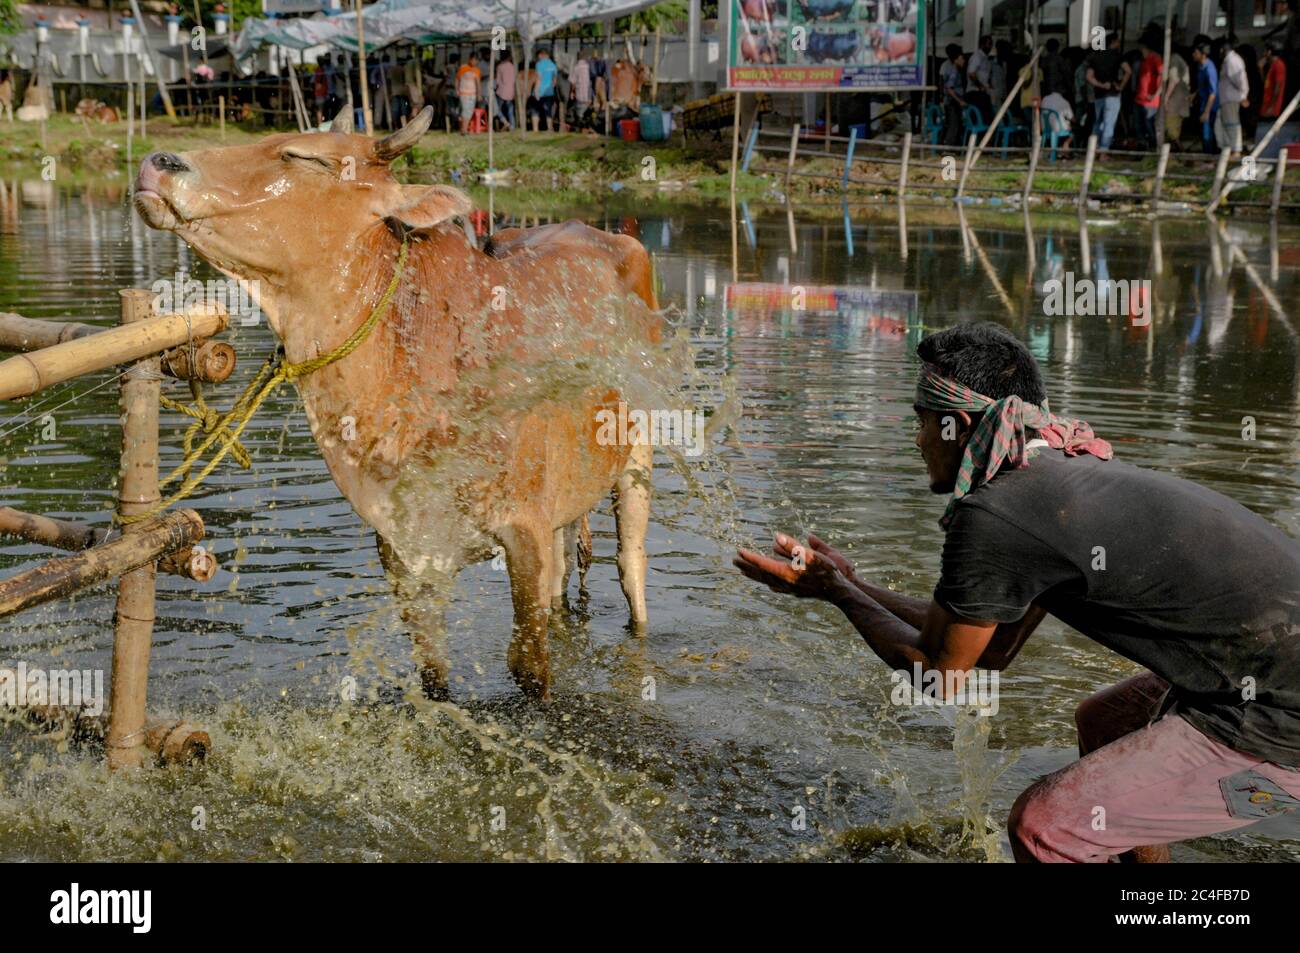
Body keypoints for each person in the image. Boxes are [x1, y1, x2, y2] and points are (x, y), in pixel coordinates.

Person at [734, 321, 1300, 864]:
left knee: (1046, 828)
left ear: (956, 424)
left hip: (1279, 712)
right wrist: (854, 583)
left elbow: (941, 672)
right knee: (1107, 724)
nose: (918, 439)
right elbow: (989, 650)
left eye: (923, 421)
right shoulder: (1053, 470)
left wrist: (838, 594)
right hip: (1265, 662)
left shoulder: (996, 513)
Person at [1086, 31, 1130, 151]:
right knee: (1109, 124)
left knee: (1098, 122)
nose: (1119, 43)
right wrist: (1121, 86)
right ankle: (1103, 152)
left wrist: (1100, 85)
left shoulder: (1095, 57)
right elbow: (1128, 71)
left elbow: (1089, 77)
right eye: (1118, 41)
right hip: (1112, 94)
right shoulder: (1117, 55)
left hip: (1099, 95)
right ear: (1113, 42)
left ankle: (1093, 149)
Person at [1217, 37, 1248, 154]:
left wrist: (1243, 95)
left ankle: (1236, 150)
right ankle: (1231, 149)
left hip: (1232, 98)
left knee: (1232, 124)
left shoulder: (1232, 61)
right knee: (1227, 124)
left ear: (1224, 49)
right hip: (1227, 98)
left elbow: (1239, 79)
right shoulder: (1228, 60)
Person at [1133, 30, 1163, 150]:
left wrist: (1156, 94)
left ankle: (1153, 146)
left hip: (1149, 100)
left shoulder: (1155, 59)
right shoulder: (1144, 60)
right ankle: (1143, 146)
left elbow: (1162, 77)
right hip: (1139, 98)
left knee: (1149, 124)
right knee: (1139, 125)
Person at [1192, 41, 1220, 153]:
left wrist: (1206, 112)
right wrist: (1194, 94)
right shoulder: (1200, 66)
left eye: (1196, 52)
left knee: (1207, 133)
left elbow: (1213, 93)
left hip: (1210, 106)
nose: (1193, 54)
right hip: (1203, 102)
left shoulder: (1210, 69)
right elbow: (1203, 85)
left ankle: (1210, 159)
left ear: (1203, 55)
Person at [940, 43, 968, 147]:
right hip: (952, 102)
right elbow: (949, 89)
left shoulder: (953, 69)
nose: (963, 61)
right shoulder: (953, 71)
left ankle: (951, 145)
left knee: (953, 124)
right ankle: (948, 147)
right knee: (953, 125)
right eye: (961, 58)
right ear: (956, 59)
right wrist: (960, 101)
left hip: (951, 101)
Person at [1163, 46, 1193, 146]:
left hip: (1176, 99)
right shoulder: (1180, 60)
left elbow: (1174, 80)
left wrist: (1166, 97)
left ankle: (1175, 149)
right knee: (1175, 126)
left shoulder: (1174, 59)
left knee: (1170, 127)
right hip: (1182, 98)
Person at [965, 34, 995, 123]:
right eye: (988, 44)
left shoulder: (986, 59)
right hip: (975, 92)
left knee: (987, 116)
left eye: (991, 44)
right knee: (980, 118)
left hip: (983, 92)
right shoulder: (977, 57)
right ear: (982, 45)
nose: (990, 47)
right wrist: (980, 86)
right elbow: (971, 73)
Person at [1260, 41, 1288, 129]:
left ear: (1269, 52)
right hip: (1267, 105)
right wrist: (1260, 69)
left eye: (1265, 51)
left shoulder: (1279, 65)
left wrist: (1271, 107)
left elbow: (1278, 87)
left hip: (1272, 109)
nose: (1264, 53)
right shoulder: (1273, 65)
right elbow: (1267, 83)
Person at [533, 48, 558, 131]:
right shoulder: (553, 65)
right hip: (549, 92)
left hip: (540, 91)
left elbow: (538, 79)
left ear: (541, 55)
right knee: (548, 111)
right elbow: (555, 80)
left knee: (535, 110)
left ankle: (535, 130)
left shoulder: (539, 64)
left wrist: (536, 91)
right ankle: (550, 128)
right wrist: (551, 88)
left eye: (538, 56)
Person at [456, 52, 481, 133]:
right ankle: (464, 130)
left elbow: (478, 83)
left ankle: (463, 128)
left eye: (476, 61)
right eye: (473, 60)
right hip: (463, 93)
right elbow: (457, 79)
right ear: (470, 59)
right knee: (465, 110)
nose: (474, 62)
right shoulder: (463, 68)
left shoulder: (477, 70)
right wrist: (457, 90)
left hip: (473, 94)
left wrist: (479, 94)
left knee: (469, 111)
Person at [1042, 38, 1072, 102]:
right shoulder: (1059, 59)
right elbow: (1066, 74)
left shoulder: (1044, 60)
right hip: (1058, 90)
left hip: (1047, 90)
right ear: (1057, 47)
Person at [495, 49, 516, 130]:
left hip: (501, 91)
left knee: (497, 109)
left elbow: (498, 81)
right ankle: (512, 126)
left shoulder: (499, 67)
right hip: (511, 91)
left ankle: (505, 121)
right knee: (510, 110)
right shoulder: (513, 67)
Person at [571, 49, 593, 127]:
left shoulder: (576, 67)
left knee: (579, 111)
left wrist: (572, 92)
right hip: (588, 93)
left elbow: (573, 82)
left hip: (579, 92)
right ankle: (587, 126)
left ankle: (579, 126)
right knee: (588, 110)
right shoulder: (589, 67)